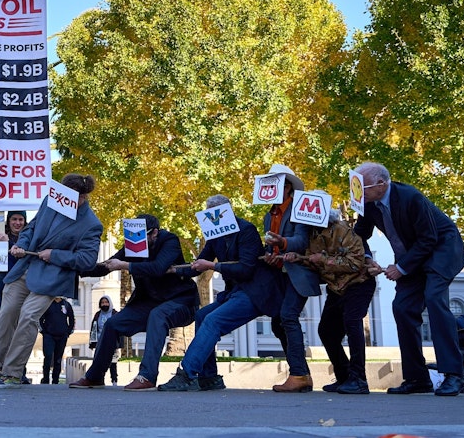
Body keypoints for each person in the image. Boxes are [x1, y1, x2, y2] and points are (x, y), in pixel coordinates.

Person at [354, 162, 464, 396]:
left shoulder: (410, 197)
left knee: (434, 299)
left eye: (363, 187)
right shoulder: (368, 204)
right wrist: (366, 259)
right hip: (412, 255)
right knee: (403, 307)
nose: (358, 192)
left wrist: (402, 268)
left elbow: (429, 238)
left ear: (381, 184)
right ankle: (417, 378)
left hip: (441, 249)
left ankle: (454, 375)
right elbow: (359, 235)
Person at [0, 173, 103, 390]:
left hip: (52, 278)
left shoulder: (91, 224)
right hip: (25, 267)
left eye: (68, 197)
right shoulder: (52, 200)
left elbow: (87, 260)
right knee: (6, 315)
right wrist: (20, 244)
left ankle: (13, 373)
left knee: (29, 317)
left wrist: (55, 255)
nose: (62, 200)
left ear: (82, 198)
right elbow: (31, 227)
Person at [158, 195, 283, 392]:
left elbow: (246, 269)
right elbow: (199, 263)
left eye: (214, 212)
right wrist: (174, 270)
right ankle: (209, 377)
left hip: (254, 292)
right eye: (209, 213)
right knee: (202, 315)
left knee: (213, 320)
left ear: (227, 211)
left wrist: (213, 266)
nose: (211, 217)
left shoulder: (246, 230)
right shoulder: (215, 235)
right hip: (235, 292)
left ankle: (187, 374)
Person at [70, 213, 197, 392]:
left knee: (158, 315)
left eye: (142, 237)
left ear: (154, 233)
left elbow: (158, 268)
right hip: (149, 302)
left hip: (180, 301)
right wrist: (73, 268)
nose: (138, 243)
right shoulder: (133, 245)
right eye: (134, 238)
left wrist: (125, 265)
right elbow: (108, 266)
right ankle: (95, 376)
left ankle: (147, 376)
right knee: (113, 323)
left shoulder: (169, 241)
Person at [288, 209, 376, 394]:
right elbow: (312, 260)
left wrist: (323, 259)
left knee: (352, 323)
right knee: (326, 331)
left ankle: (359, 378)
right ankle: (344, 376)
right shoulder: (311, 234)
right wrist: (299, 259)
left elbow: (356, 262)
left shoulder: (343, 230)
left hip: (358, 283)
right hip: (336, 288)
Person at [261, 164, 320, 393]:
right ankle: (301, 373)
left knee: (287, 316)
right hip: (281, 274)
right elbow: (272, 247)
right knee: (279, 321)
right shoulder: (269, 215)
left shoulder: (300, 209)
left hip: (300, 272)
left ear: (286, 187)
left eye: (274, 183)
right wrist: (271, 255)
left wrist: (281, 243)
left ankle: (298, 374)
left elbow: (302, 241)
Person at [0, 210, 27, 372]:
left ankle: (16, 372)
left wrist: (8, 243)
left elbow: (24, 258)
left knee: (17, 332)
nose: (17, 223)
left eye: (21, 219)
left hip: (17, 291)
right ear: (8, 221)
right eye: (14, 219)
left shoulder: (28, 239)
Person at [39, 296, 74, 384]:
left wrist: (68, 331)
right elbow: (40, 318)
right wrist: (43, 331)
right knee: (48, 356)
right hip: (49, 335)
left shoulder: (66, 305)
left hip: (62, 336)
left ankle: (56, 380)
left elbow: (71, 318)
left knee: (58, 359)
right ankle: (46, 379)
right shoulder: (47, 304)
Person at [88, 296, 120, 386]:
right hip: (100, 342)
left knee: (112, 362)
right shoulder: (98, 315)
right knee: (99, 361)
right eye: (102, 303)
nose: (104, 304)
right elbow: (94, 329)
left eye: (106, 302)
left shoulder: (114, 314)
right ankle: (99, 379)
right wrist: (92, 343)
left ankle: (114, 380)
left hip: (112, 341)